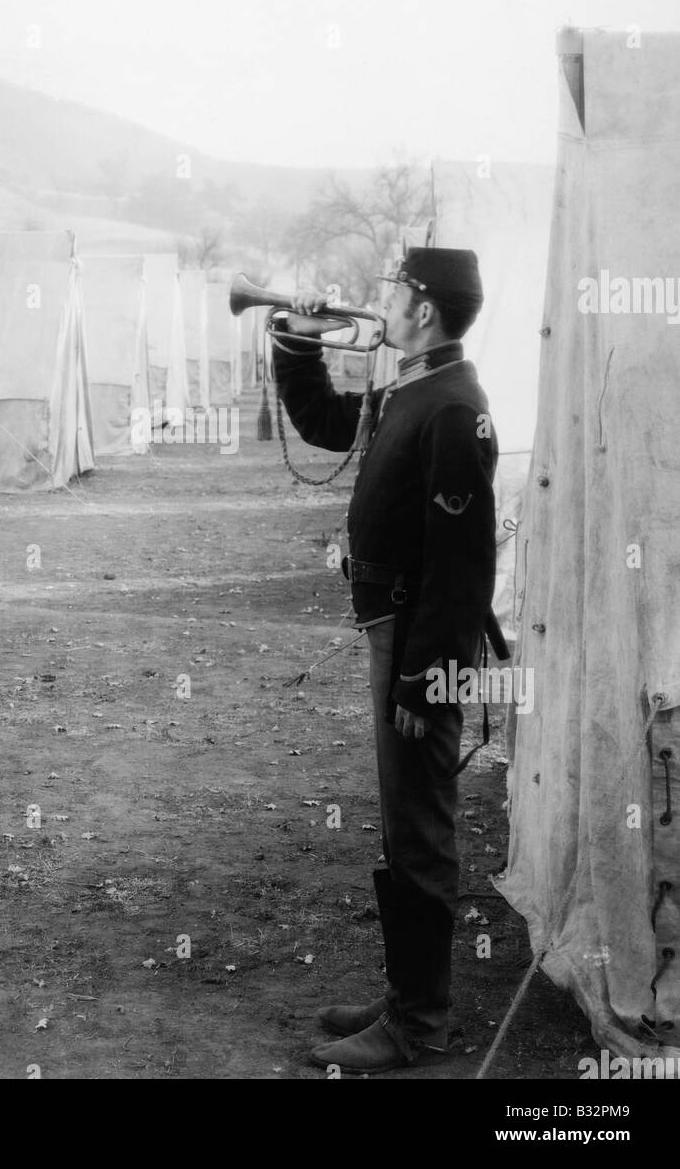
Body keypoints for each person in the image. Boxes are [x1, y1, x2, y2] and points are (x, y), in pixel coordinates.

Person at [271, 247, 498, 1075]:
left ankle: (419, 1024)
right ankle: (409, 994)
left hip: (415, 642)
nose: (383, 302)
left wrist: (422, 673)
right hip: (393, 629)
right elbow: (329, 429)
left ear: (425, 308)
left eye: (396, 291)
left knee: (420, 828)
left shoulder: (450, 407)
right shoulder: (411, 387)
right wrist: (296, 341)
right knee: (404, 824)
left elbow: (463, 565)